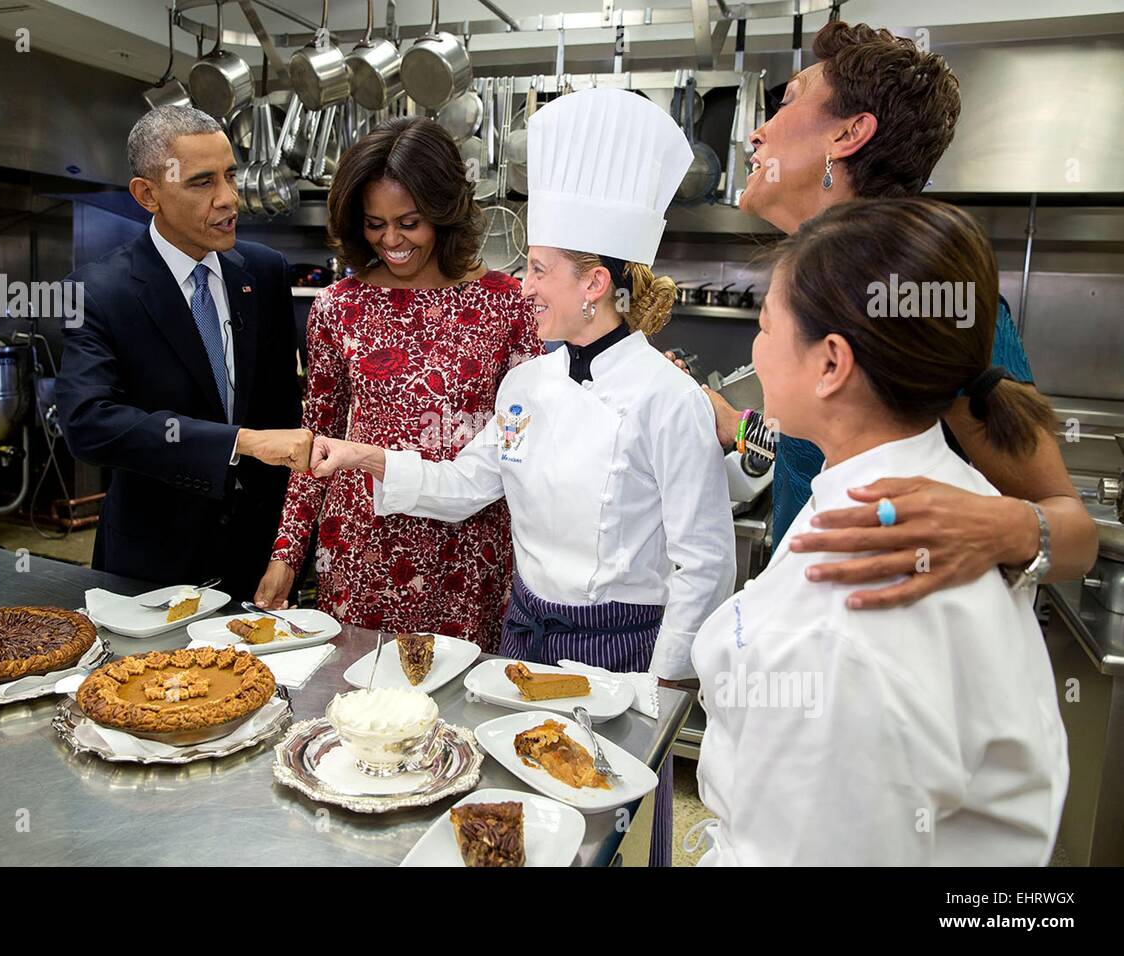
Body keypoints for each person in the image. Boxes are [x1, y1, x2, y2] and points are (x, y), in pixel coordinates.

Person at [310, 89, 737, 866]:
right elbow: (470, 482)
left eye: (539, 270)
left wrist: (663, 690)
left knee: (601, 827)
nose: (525, 285)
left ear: (595, 283)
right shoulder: (528, 386)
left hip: (622, 649)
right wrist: (373, 461)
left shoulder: (667, 398)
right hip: (522, 634)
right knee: (520, 819)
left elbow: (705, 562)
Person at [691, 198, 1069, 865]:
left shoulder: (845, 618)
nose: (755, 345)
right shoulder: (915, 486)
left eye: (766, 324)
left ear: (832, 364)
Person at [686, 21, 1097, 603]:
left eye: (786, 103)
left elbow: (1073, 534)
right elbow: (844, 441)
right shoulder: (818, 292)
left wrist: (995, 524)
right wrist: (738, 425)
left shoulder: (924, 298)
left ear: (849, 134)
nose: (756, 134)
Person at [252, 117, 538, 649]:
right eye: (374, 224)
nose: (391, 241)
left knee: (460, 711)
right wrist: (286, 554)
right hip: (362, 547)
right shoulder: (338, 307)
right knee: (358, 710)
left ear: (446, 213)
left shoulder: (506, 304)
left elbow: (521, 445)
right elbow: (313, 439)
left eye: (409, 222)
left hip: (468, 549)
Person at [57, 105, 310, 597]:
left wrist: (289, 548)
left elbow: (283, 410)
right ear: (147, 194)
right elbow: (89, 423)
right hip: (152, 564)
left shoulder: (264, 272)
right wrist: (238, 442)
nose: (228, 199)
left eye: (230, 176)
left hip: (256, 556)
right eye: (202, 183)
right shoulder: (97, 291)